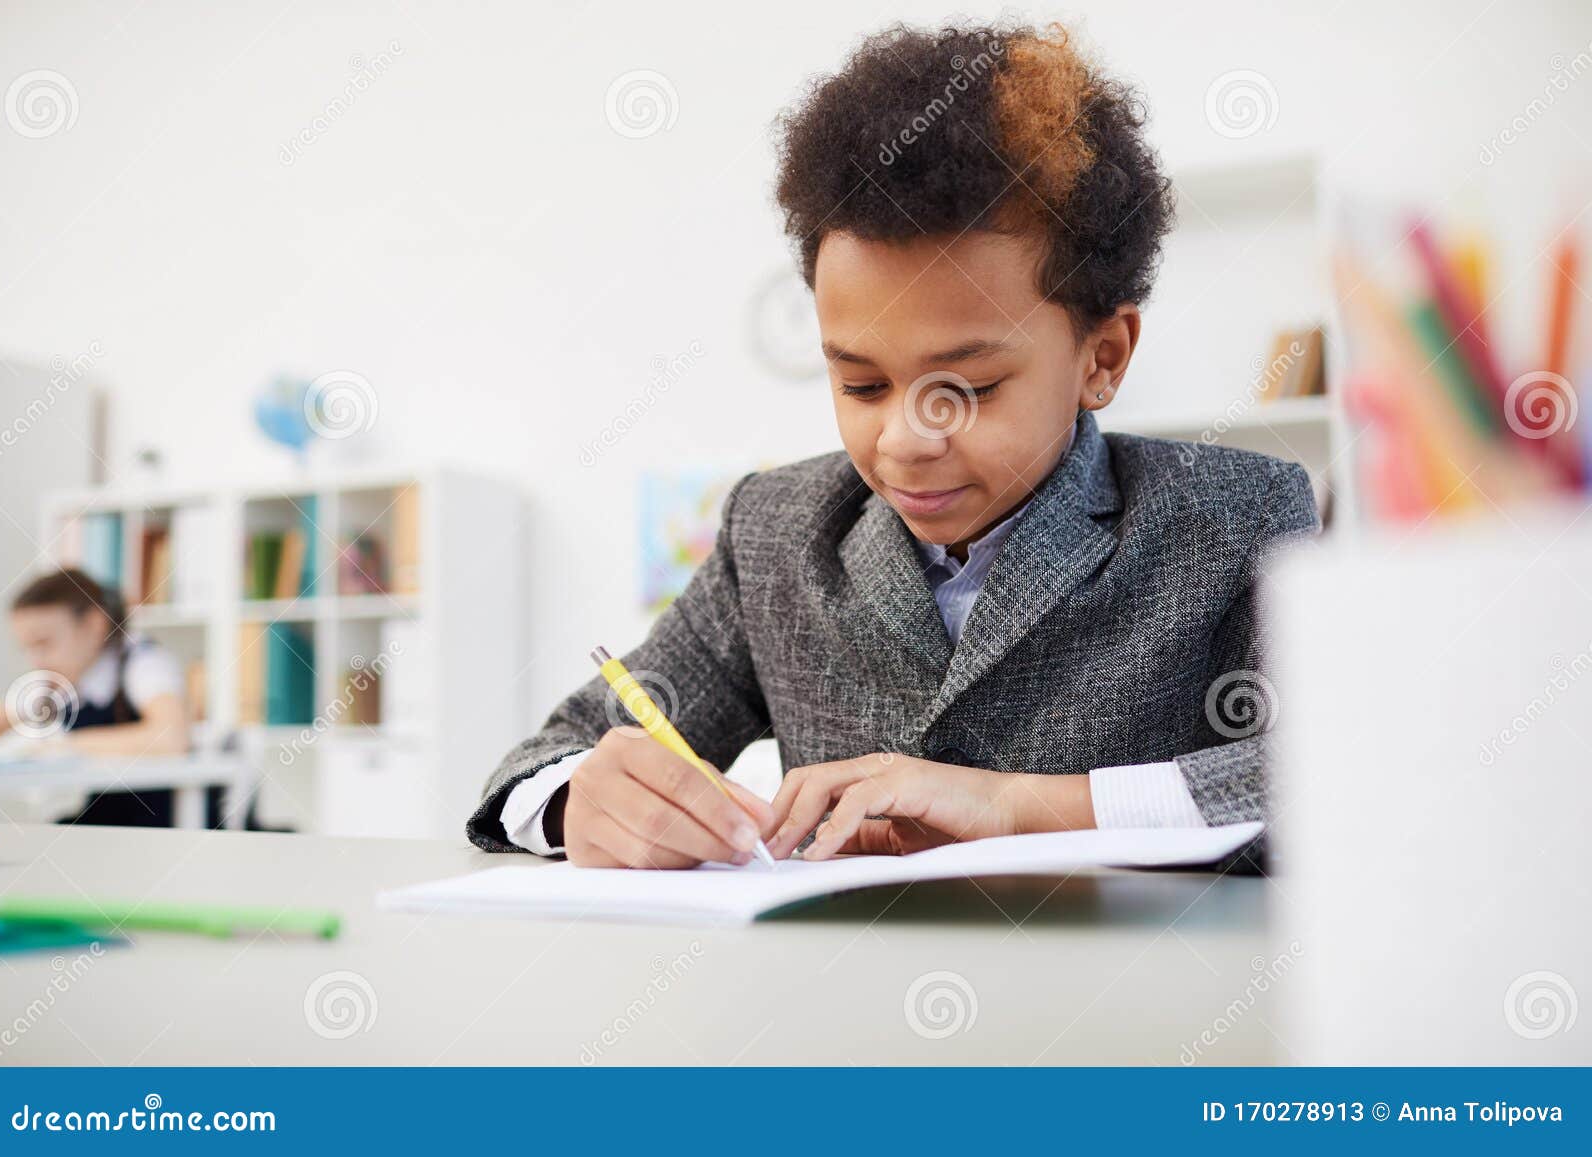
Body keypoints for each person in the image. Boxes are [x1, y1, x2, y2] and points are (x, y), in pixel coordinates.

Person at [466, 21, 1318, 867]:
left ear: (1102, 358)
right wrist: (582, 796)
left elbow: (1334, 780)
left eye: (971, 388)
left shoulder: (1236, 518)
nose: (907, 441)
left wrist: (1021, 806)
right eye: (862, 385)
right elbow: (548, 757)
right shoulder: (776, 534)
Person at [0, 567, 193, 825]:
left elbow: (171, 738)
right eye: (28, 649)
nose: (36, 660)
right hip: (109, 818)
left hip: (164, 823)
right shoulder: (63, 678)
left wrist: (64, 747)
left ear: (95, 624)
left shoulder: (142, 662)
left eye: (44, 643)